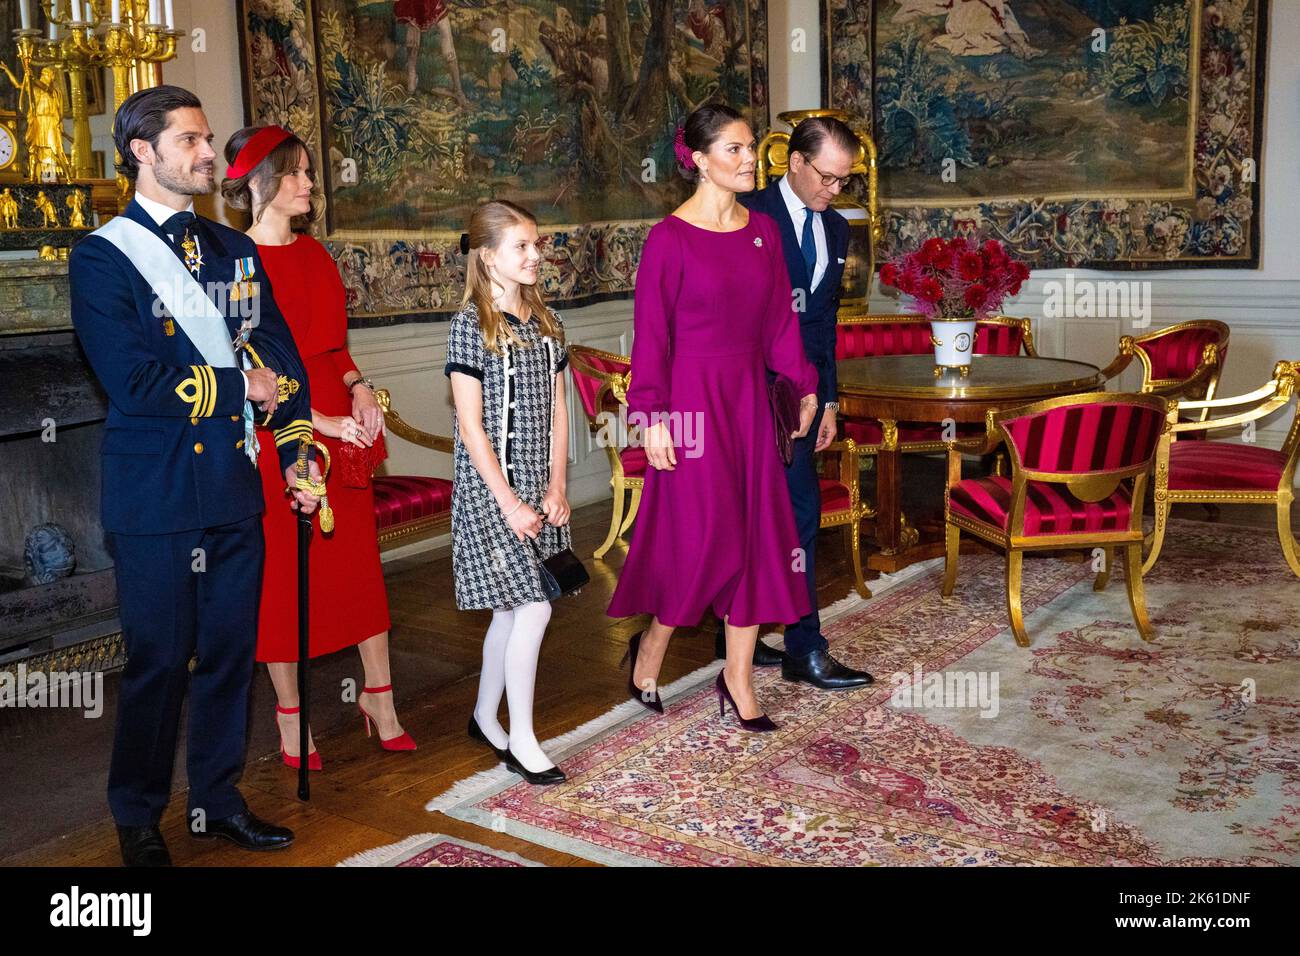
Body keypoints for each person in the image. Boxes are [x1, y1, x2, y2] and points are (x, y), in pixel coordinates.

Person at [69, 86, 322, 867]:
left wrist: (296, 453)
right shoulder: (102, 256)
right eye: (191, 142)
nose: (209, 155)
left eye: (209, 140)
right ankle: (138, 819)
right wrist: (236, 389)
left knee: (226, 658)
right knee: (156, 665)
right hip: (157, 497)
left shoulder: (233, 252)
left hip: (232, 494)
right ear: (143, 153)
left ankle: (218, 800)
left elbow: (280, 362)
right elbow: (135, 381)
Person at [605, 102, 820, 731]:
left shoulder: (763, 232)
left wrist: (803, 386)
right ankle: (650, 649)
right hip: (692, 405)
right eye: (735, 149)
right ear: (698, 161)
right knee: (696, 540)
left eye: (751, 147)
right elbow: (651, 341)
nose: (751, 158)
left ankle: (738, 677)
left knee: (754, 539)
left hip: (749, 401)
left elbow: (781, 321)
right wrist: (652, 419)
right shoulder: (668, 239)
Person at [220, 125, 414, 770]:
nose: (309, 184)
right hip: (282, 432)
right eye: (297, 173)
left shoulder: (316, 255)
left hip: (343, 422)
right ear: (259, 184)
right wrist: (317, 420)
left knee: (358, 565)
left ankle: (380, 702)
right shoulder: (233, 264)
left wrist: (360, 391)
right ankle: (292, 720)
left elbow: (334, 346)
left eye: (306, 171)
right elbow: (241, 364)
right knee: (283, 576)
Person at [713, 115, 875, 690]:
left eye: (843, 181)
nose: (834, 192)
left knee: (799, 517)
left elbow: (824, 322)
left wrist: (827, 399)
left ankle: (803, 646)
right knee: (740, 517)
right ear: (796, 163)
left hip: (799, 401)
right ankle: (738, 628)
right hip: (742, 395)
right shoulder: (747, 214)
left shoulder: (834, 230)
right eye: (827, 178)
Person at [444, 199, 573, 784]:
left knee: (512, 607)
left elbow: (560, 409)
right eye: (521, 246)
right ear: (488, 256)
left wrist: (558, 483)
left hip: (539, 488)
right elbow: (471, 427)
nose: (535, 255)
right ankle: (521, 736)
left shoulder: (548, 323)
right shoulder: (471, 324)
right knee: (534, 605)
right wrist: (510, 502)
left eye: (537, 244)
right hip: (490, 490)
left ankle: (482, 713)